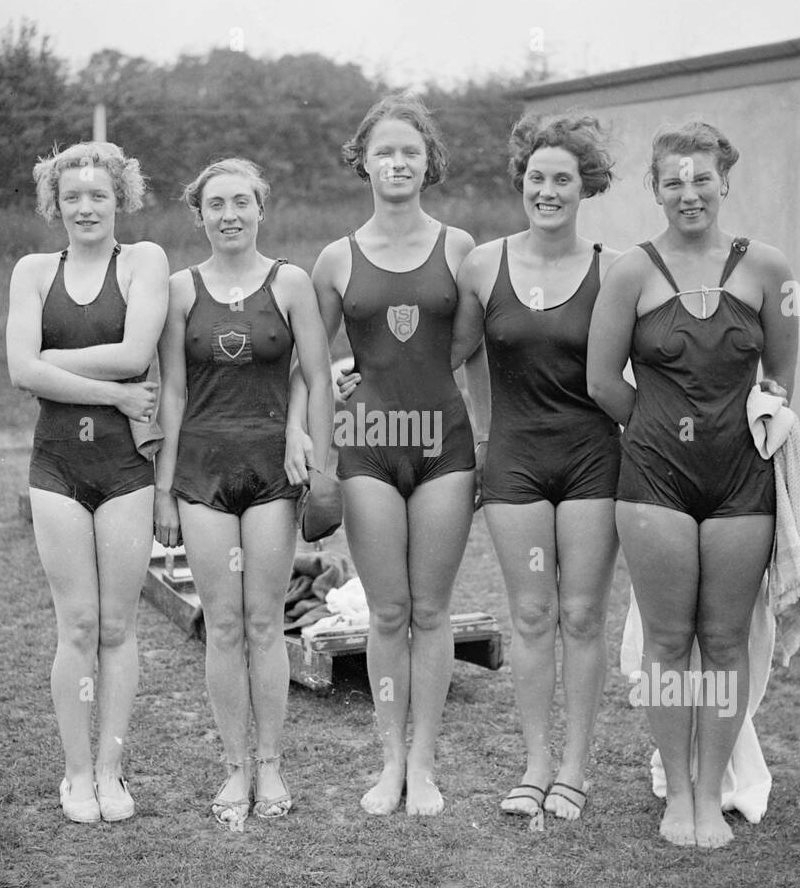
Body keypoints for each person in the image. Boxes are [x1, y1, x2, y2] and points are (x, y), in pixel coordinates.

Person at [586, 122, 798, 847]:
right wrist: (657, 429)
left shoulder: (767, 268)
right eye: (673, 181)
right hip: (654, 482)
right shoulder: (631, 272)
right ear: (655, 191)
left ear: (725, 181)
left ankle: (713, 793)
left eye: (701, 178)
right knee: (669, 643)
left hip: (743, 481)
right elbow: (599, 380)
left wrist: (742, 431)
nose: (689, 192)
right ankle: (678, 793)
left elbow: (780, 383)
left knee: (728, 640)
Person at [296, 94, 478, 816]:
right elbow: (311, 364)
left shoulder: (462, 248)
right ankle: (389, 762)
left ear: (428, 161)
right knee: (388, 611)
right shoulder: (335, 258)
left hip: (444, 448)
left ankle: (425, 765)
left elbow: (467, 347)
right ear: (363, 162)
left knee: (432, 612)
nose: (398, 162)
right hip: (367, 449)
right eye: (384, 152)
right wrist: (323, 417)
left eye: (410, 151)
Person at [451, 112, 622, 820]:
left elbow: (655, 365)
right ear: (521, 180)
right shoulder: (484, 265)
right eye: (536, 177)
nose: (547, 190)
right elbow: (451, 357)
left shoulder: (615, 270)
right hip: (515, 460)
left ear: (587, 188)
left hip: (591, 459)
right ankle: (535, 764)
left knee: (581, 615)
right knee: (530, 613)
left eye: (563, 179)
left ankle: (575, 770)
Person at [154, 158, 333, 824]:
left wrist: (311, 453)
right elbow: (171, 393)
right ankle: (233, 769)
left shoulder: (290, 283)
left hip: (272, 477)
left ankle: (271, 765)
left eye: (242, 202)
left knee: (264, 623)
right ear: (198, 215)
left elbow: (316, 378)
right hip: (202, 472)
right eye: (215, 204)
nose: (230, 214)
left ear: (262, 208)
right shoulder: (178, 290)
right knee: (222, 625)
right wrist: (164, 489)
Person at [6, 141, 169, 823]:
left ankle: (111, 771)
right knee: (75, 624)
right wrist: (117, 396)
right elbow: (21, 373)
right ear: (55, 202)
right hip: (56, 468)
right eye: (72, 196)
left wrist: (52, 360)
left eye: (98, 194)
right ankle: (76, 776)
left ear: (119, 198)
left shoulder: (146, 262)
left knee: (117, 625)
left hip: (125, 469)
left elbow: (136, 353)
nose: (85, 206)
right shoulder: (34, 271)